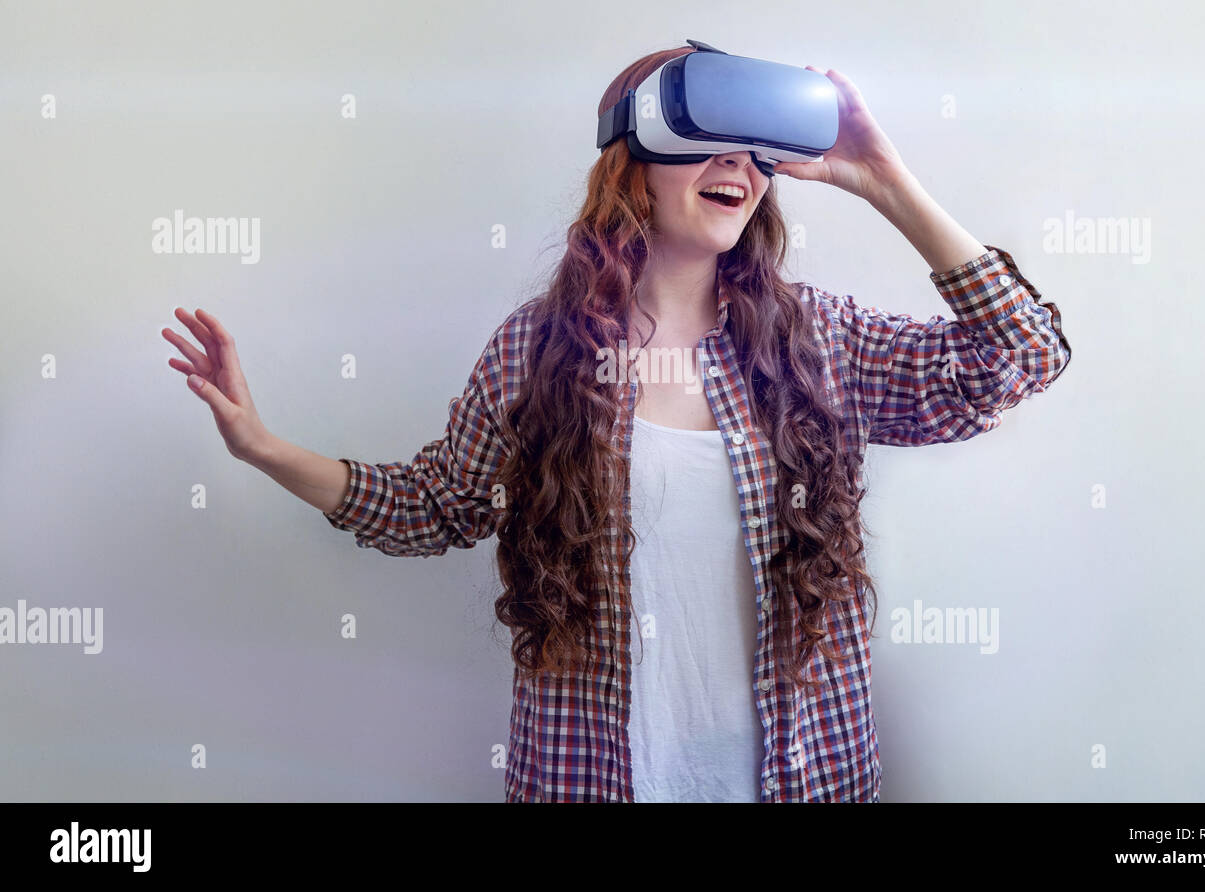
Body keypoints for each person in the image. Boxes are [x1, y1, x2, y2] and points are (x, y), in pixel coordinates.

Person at [161, 44, 1071, 802]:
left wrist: (884, 181)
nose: (739, 168)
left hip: (808, 775)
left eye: (755, 152)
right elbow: (434, 506)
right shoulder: (538, 351)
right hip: (589, 776)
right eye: (703, 142)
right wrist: (263, 448)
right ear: (629, 165)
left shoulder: (817, 340)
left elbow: (1023, 357)